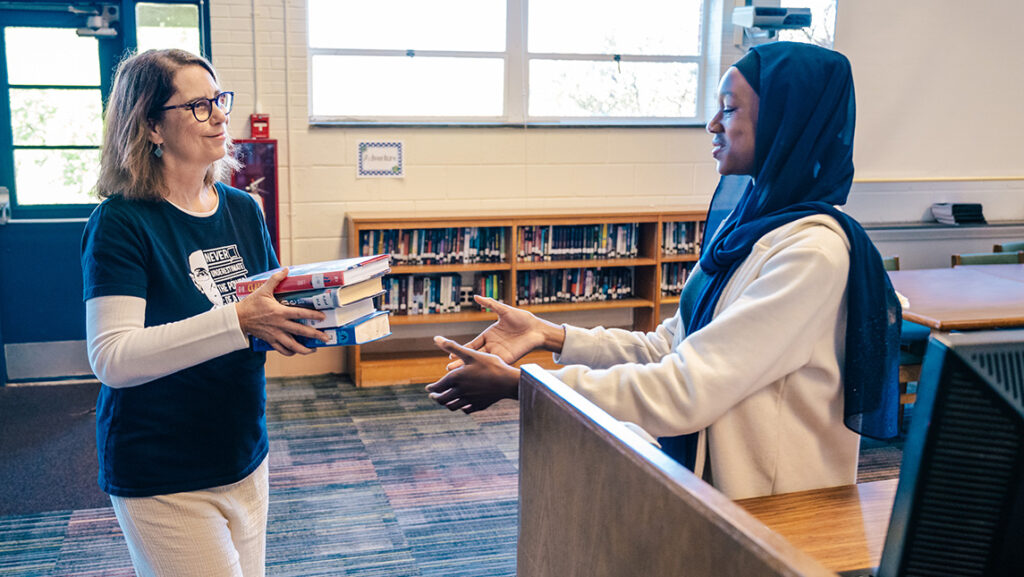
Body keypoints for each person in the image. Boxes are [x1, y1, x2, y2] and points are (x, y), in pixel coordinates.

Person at [426, 42, 901, 500]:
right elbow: (668, 347)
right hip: (708, 489)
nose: (712, 123)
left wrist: (521, 384)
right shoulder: (752, 230)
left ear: (786, 123)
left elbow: (685, 390)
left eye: (730, 109)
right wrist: (550, 335)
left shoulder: (811, 254)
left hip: (770, 511)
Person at [81, 49, 330, 577]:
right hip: (162, 470)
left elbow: (267, 309)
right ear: (150, 126)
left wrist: (325, 313)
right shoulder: (121, 223)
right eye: (198, 105)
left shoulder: (242, 208)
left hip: (242, 451)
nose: (219, 115)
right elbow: (113, 358)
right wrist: (239, 321)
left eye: (219, 99)